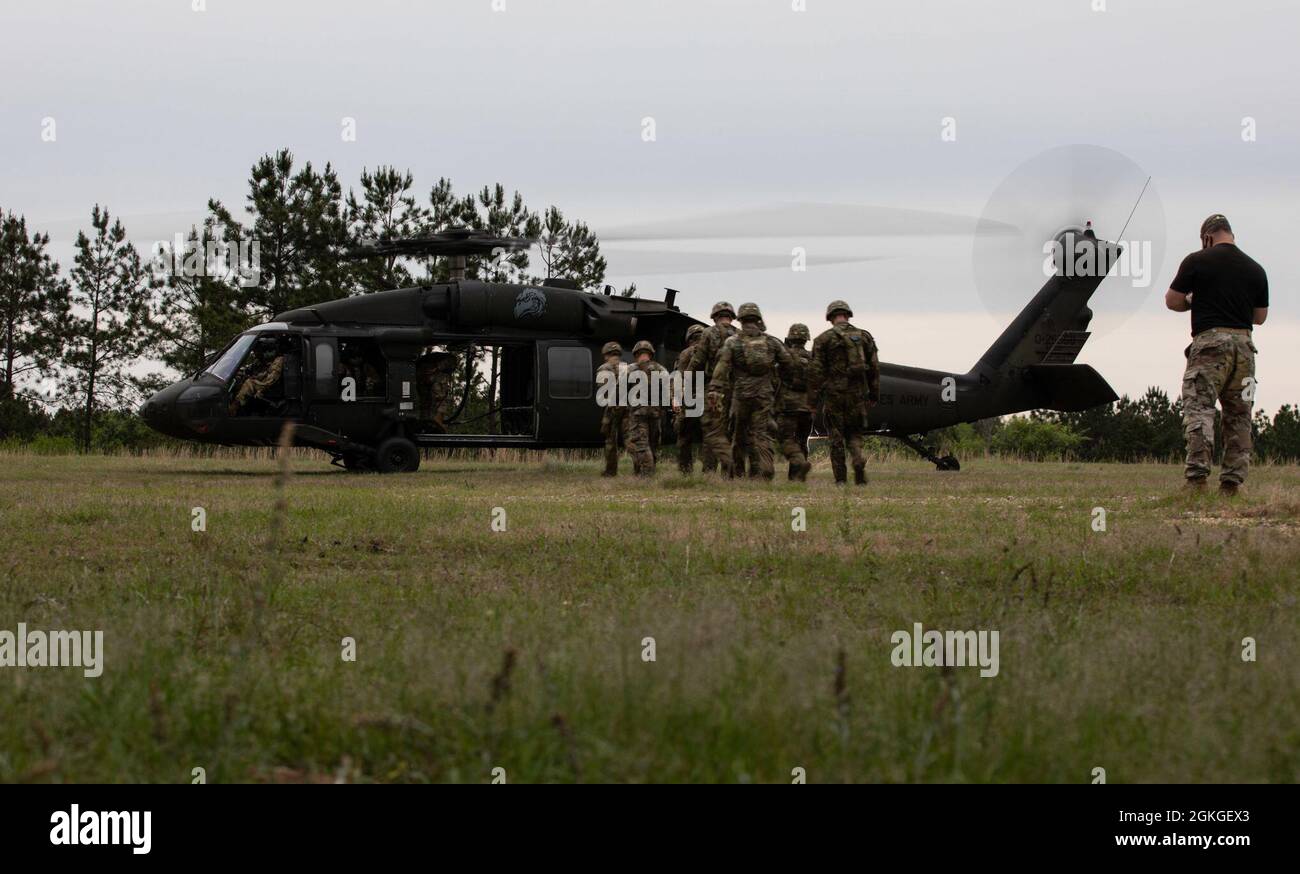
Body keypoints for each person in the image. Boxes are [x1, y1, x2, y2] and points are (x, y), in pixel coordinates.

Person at [1165, 213, 1269, 495]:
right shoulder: (1256, 269)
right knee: (1239, 415)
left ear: (1207, 237)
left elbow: (1172, 300)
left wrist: (1192, 301)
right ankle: (1231, 484)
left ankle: (1197, 479)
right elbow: (1260, 317)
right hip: (1245, 349)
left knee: (1200, 409)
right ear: (1231, 234)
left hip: (1210, 344)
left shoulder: (1197, 261)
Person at [710, 303, 793, 480]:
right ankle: (766, 469)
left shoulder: (733, 342)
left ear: (740, 320)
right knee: (761, 434)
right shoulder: (771, 341)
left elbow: (722, 366)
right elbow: (788, 363)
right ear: (758, 319)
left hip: (741, 395)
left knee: (738, 434)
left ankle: (737, 473)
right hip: (764, 395)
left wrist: (715, 389)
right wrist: (778, 380)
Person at [809, 300, 879, 485]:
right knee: (855, 435)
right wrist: (873, 394)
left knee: (836, 437)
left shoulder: (823, 339)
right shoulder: (864, 337)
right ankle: (858, 459)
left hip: (834, 395)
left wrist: (812, 402)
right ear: (848, 315)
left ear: (830, 317)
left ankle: (840, 480)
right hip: (857, 395)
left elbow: (815, 373)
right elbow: (874, 368)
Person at [688, 302, 739, 476]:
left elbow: (698, 361)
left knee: (712, 430)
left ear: (715, 316)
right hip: (735, 390)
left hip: (713, 389)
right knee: (731, 431)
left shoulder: (709, 333)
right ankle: (731, 473)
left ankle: (709, 472)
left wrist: (687, 380)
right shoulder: (739, 335)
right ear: (731, 317)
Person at [625, 340, 668, 476]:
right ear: (651, 354)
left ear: (636, 354)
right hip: (655, 412)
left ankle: (647, 476)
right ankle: (642, 472)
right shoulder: (661, 368)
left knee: (641, 443)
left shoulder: (630, 369)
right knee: (653, 443)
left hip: (638, 412)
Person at [779, 323, 815, 481]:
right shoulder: (812, 358)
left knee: (786, 439)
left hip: (788, 406)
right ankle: (797, 478)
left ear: (790, 337)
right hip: (807, 407)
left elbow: (776, 379)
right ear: (806, 339)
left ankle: (800, 464)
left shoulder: (784, 356)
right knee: (802, 440)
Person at [672, 324, 709, 473]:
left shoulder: (685, 353)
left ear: (689, 339)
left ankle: (686, 472)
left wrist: (675, 398)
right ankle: (710, 472)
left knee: (684, 437)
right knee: (710, 437)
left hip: (690, 399)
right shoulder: (712, 352)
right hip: (710, 399)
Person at [596, 341, 627, 477]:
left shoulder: (604, 368)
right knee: (633, 439)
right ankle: (641, 470)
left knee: (610, 440)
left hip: (612, 408)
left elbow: (603, 391)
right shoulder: (628, 368)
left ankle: (610, 471)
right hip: (629, 407)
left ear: (605, 355)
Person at [228, 340, 284, 415]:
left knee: (249, 383)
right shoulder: (264, 361)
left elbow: (270, 380)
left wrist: (255, 383)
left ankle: (234, 408)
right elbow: (263, 373)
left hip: (270, 388)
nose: (257, 354)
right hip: (264, 385)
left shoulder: (278, 360)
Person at [417, 347, 460, 432]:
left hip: (438, 368)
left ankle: (434, 422)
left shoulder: (442, 370)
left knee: (438, 397)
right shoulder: (422, 368)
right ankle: (430, 423)